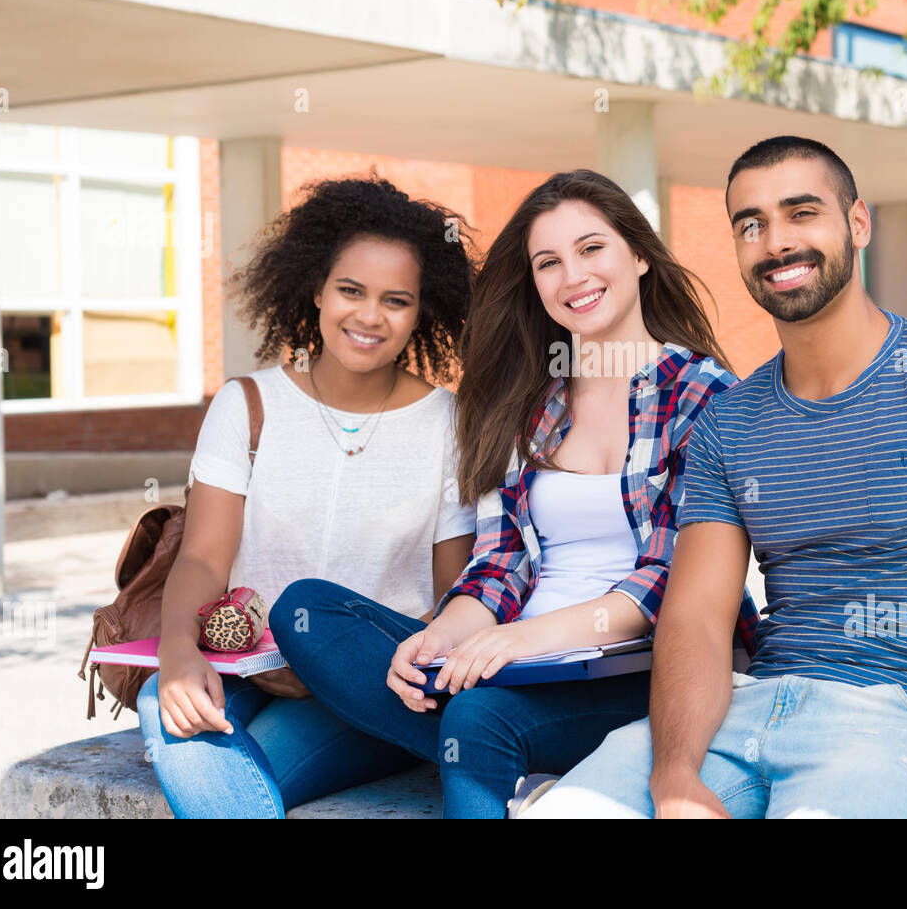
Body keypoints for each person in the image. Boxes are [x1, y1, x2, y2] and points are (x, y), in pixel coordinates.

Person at [523, 136, 907, 819]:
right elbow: (697, 615)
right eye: (750, 224)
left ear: (859, 223)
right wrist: (674, 778)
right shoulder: (731, 421)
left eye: (801, 212)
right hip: (749, 707)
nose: (775, 241)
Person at [271, 168, 759, 818]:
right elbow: (502, 564)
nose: (572, 277)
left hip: (637, 670)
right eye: (548, 262)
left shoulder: (706, 396)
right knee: (309, 611)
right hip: (517, 664)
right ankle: (508, 766)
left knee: (477, 719)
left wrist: (522, 642)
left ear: (639, 255)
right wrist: (444, 635)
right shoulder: (533, 405)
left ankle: (475, 746)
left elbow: (672, 581)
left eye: (591, 249)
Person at [136, 174, 478, 818]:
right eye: (351, 290)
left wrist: (332, 665)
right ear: (317, 289)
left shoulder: (449, 425)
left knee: (245, 759)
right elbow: (204, 561)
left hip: (373, 688)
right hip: (244, 666)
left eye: (395, 300)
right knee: (165, 697)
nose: (369, 316)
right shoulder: (247, 406)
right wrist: (179, 653)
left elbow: (454, 598)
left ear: (421, 311)